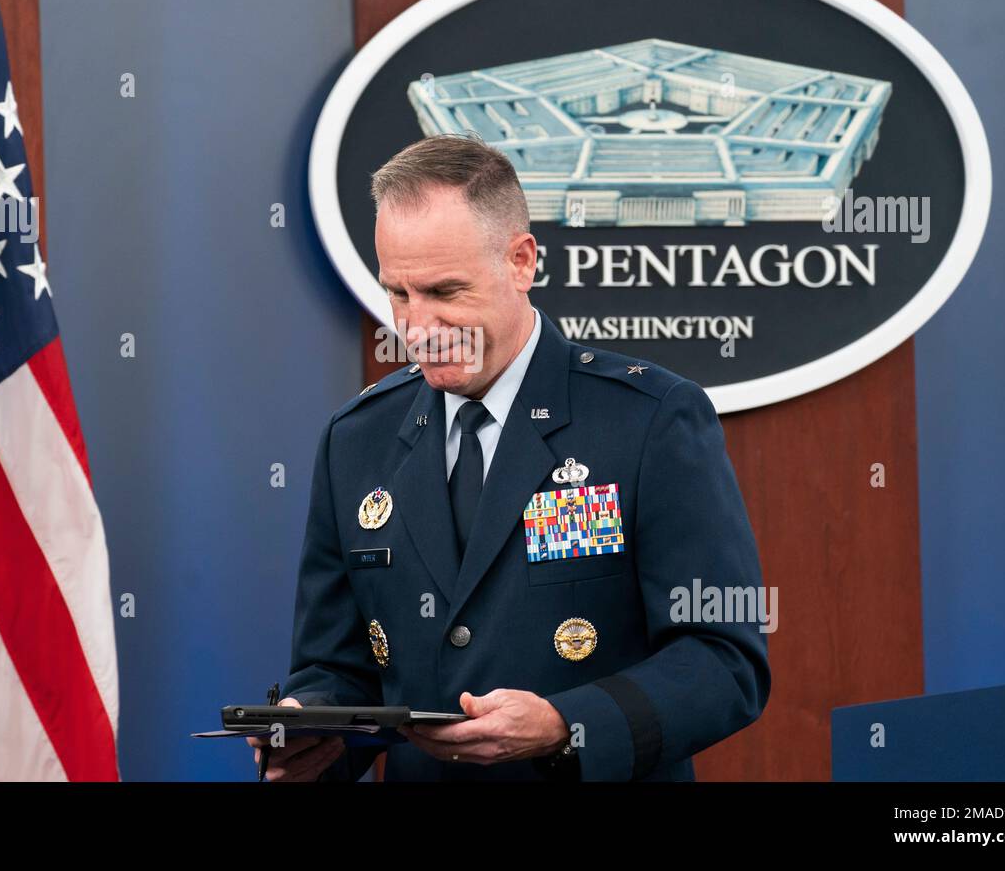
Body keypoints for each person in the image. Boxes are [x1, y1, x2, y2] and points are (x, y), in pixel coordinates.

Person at [247, 134, 770, 781]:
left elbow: (725, 662)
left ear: (521, 262)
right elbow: (339, 668)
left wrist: (564, 726)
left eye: (445, 291)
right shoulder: (357, 439)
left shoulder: (650, 419)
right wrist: (308, 726)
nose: (418, 328)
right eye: (399, 294)